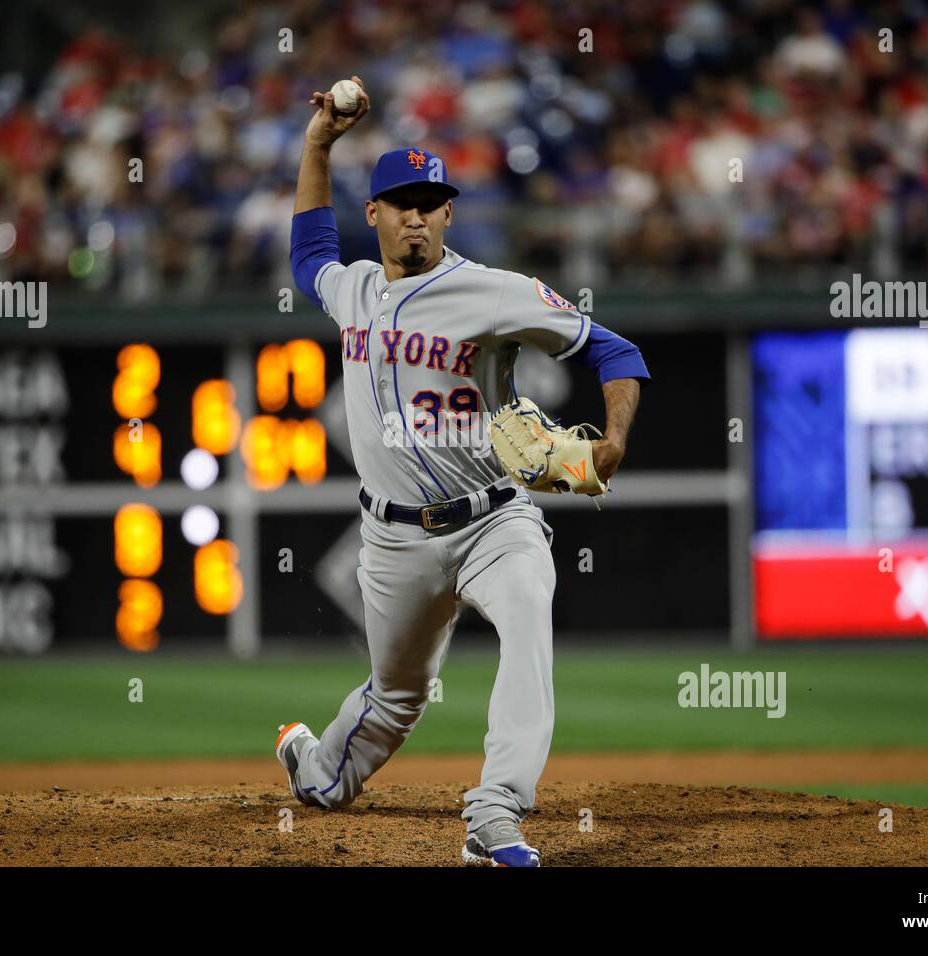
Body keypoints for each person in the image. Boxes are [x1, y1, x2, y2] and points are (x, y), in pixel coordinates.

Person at [276, 76, 649, 866]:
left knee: (527, 620)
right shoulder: (353, 290)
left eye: (430, 201)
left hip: (494, 519)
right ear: (372, 213)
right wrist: (318, 145)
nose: (416, 214)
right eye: (400, 201)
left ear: (449, 212)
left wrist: (611, 440)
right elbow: (309, 247)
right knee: (394, 702)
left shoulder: (492, 291)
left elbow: (615, 350)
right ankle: (312, 768)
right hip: (393, 541)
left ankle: (496, 814)